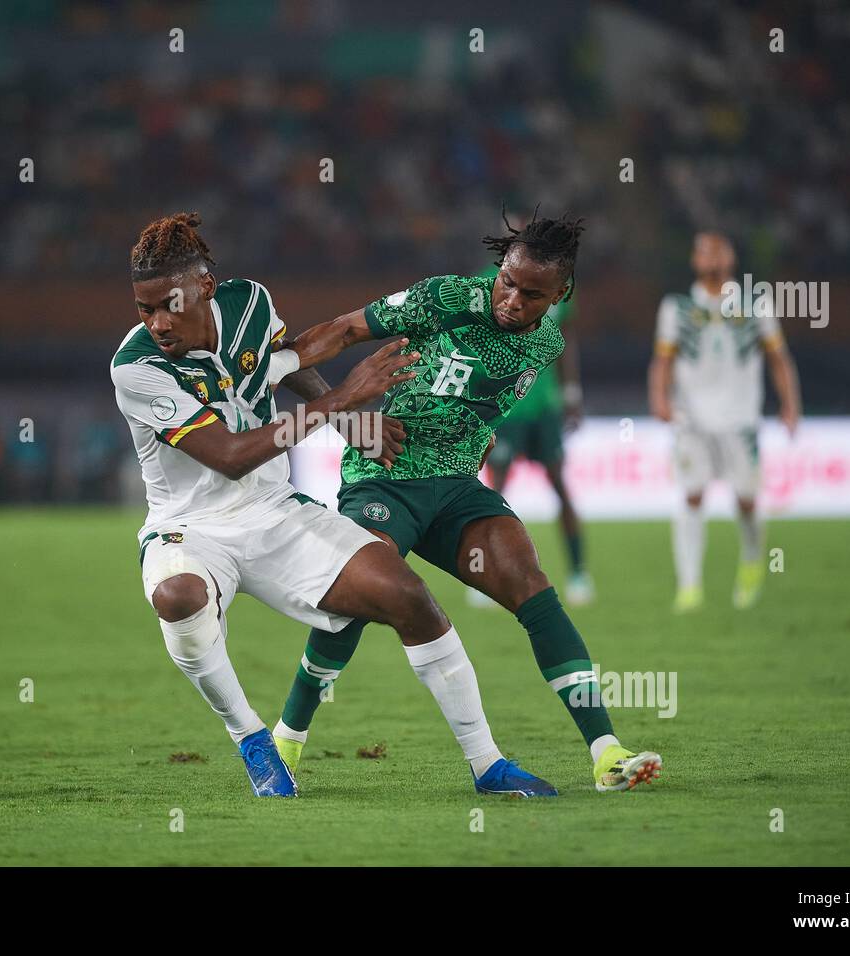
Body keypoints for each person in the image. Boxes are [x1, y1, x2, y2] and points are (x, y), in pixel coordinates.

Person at [112, 212, 558, 798]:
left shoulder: (249, 304)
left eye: (168, 303)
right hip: (188, 528)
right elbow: (229, 455)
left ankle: (488, 765)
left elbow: (288, 363)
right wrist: (346, 399)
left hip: (273, 510)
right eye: (144, 309)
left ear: (205, 288)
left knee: (407, 596)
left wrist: (349, 421)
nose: (157, 321)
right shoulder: (137, 367)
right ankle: (253, 740)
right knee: (180, 597)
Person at [270, 211, 662, 793]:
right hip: (383, 482)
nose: (512, 300)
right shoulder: (446, 298)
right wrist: (335, 410)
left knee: (532, 587)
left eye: (533, 294)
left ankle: (606, 753)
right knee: (358, 598)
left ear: (562, 295)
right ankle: (287, 740)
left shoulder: (548, 342)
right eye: (507, 281)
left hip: (455, 492)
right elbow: (346, 330)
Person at [648, 232, 802, 611]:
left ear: (731, 256)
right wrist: (659, 399)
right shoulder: (677, 307)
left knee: (747, 500)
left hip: (741, 420)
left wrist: (790, 404)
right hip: (692, 421)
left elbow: (778, 358)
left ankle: (752, 561)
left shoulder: (755, 304)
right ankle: (689, 585)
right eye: (703, 250)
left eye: (718, 249)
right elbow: (663, 361)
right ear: (694, 260)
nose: (711, 256)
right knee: (691, 494)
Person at [482, 284, 593, 606]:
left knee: (560, 486)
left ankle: (578, 572)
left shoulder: (558, 286)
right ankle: (487, 575)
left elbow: (566, 341)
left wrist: (572, 393)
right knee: (492, 495)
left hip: (545, 405)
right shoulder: (487, 282)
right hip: (505, 408)